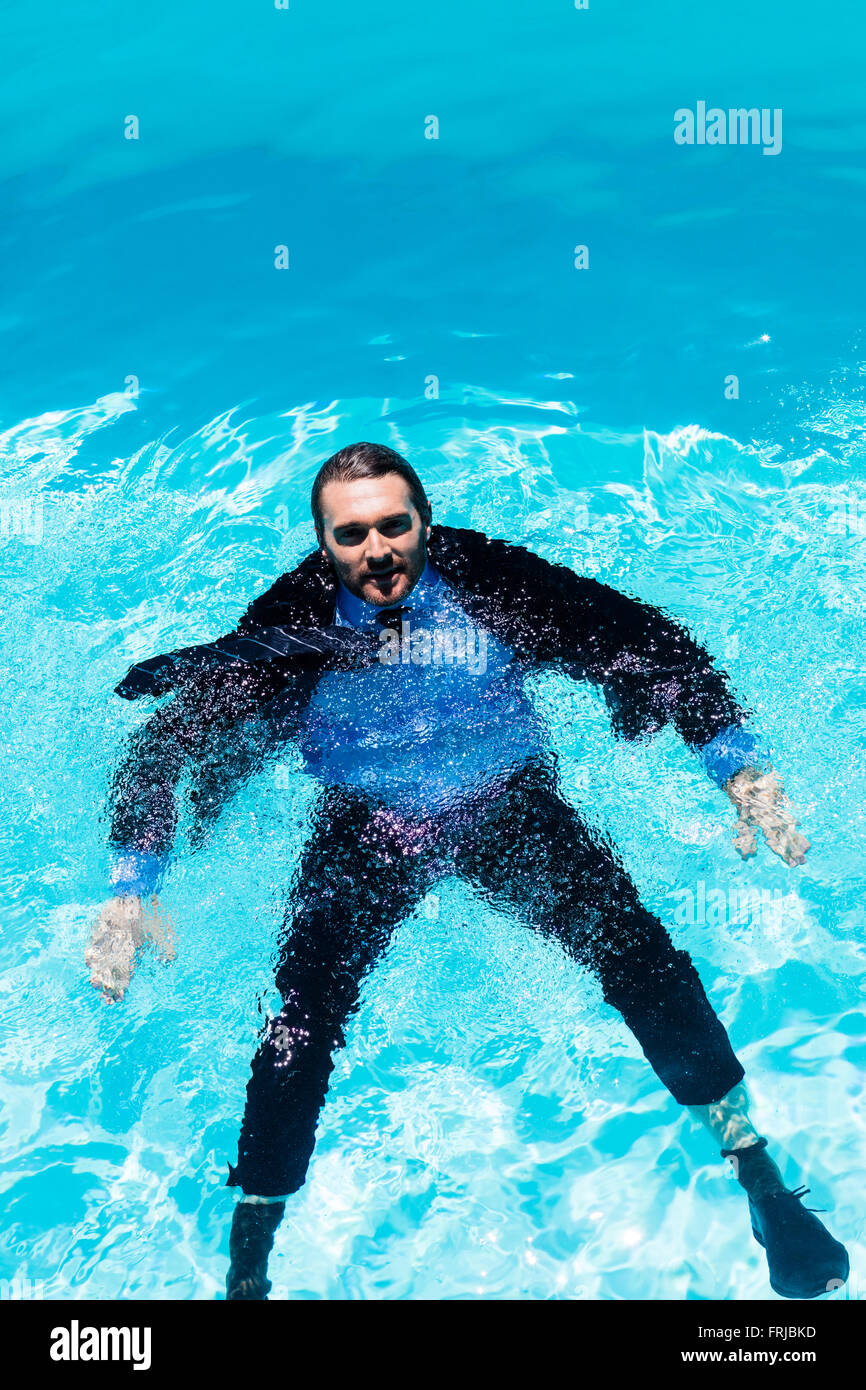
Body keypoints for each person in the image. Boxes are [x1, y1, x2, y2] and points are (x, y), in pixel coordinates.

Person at [87, 442, 849, 1302]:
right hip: (369, 829)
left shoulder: (494, 582)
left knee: (644, 964)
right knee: (299, 1026)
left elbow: (650, 644)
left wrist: (737, 767)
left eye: (394, 526)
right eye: (352, 536)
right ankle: (249, 1264)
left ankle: (755, 1169)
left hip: (505, 805)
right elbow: (160, 745)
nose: (377, 552)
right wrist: (131, 889)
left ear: (425, 522)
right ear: (323, 544)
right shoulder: (295, 629)